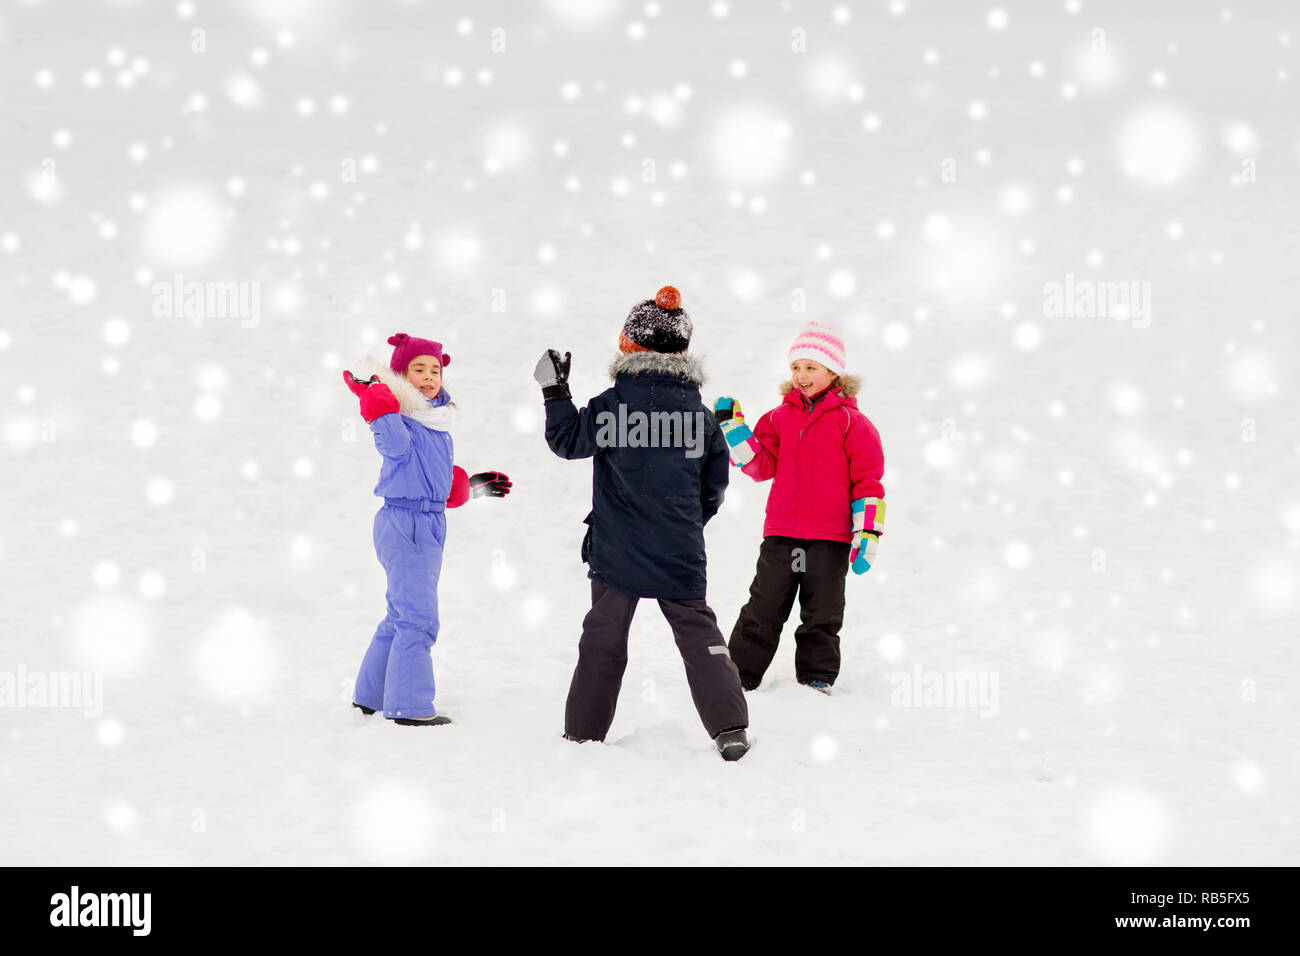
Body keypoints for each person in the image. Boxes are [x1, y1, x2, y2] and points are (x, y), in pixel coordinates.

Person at [534, 286, 751, 760]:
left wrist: (555, 391)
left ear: (629, 347)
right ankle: (730, 728)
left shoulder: (613, 406)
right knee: (699, 636)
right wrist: (687, 521)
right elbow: (714, 486)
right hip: (679, 548)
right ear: (684, 354)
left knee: (603, 639)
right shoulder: (700, 418)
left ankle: (583, 733)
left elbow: (567, 441)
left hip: (617, 548)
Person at [343, 332, 512, 725]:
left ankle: (371, 694)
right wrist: (379, 406)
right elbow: (394, 447)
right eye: (418, 369)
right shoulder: (402, 421)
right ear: (400, 375)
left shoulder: (435, 424)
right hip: (407, 523)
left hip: (425, 521)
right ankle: (410, 707)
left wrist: (468, 487)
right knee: (419, 619)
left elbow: (432, 483)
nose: (428, 376)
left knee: (400, 612)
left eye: (434, 369)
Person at [713, 320, 885, 695]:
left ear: (832, 372)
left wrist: (867, 532)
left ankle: (816, 676)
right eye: (795, 367)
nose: (801, 375)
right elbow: (759, 466)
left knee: (822, 610)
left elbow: (868, 484)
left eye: (811, 367)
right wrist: (734, 431)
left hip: (829, 537)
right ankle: (739, 673)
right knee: (764, 605)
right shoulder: (778, 418)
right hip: (782, 534)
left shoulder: (853, 424)